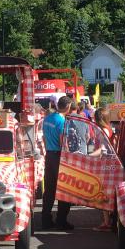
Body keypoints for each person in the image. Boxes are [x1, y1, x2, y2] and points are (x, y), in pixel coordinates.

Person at [41, 95, 73, 230]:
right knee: (64, 189)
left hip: (49, 155)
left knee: (49, 189)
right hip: (59, 156)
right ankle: (61, 221)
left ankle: (46, 219)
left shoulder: (47, 119)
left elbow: (43, 137)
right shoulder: (61, 121)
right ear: (68, 107)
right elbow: (62, 142)